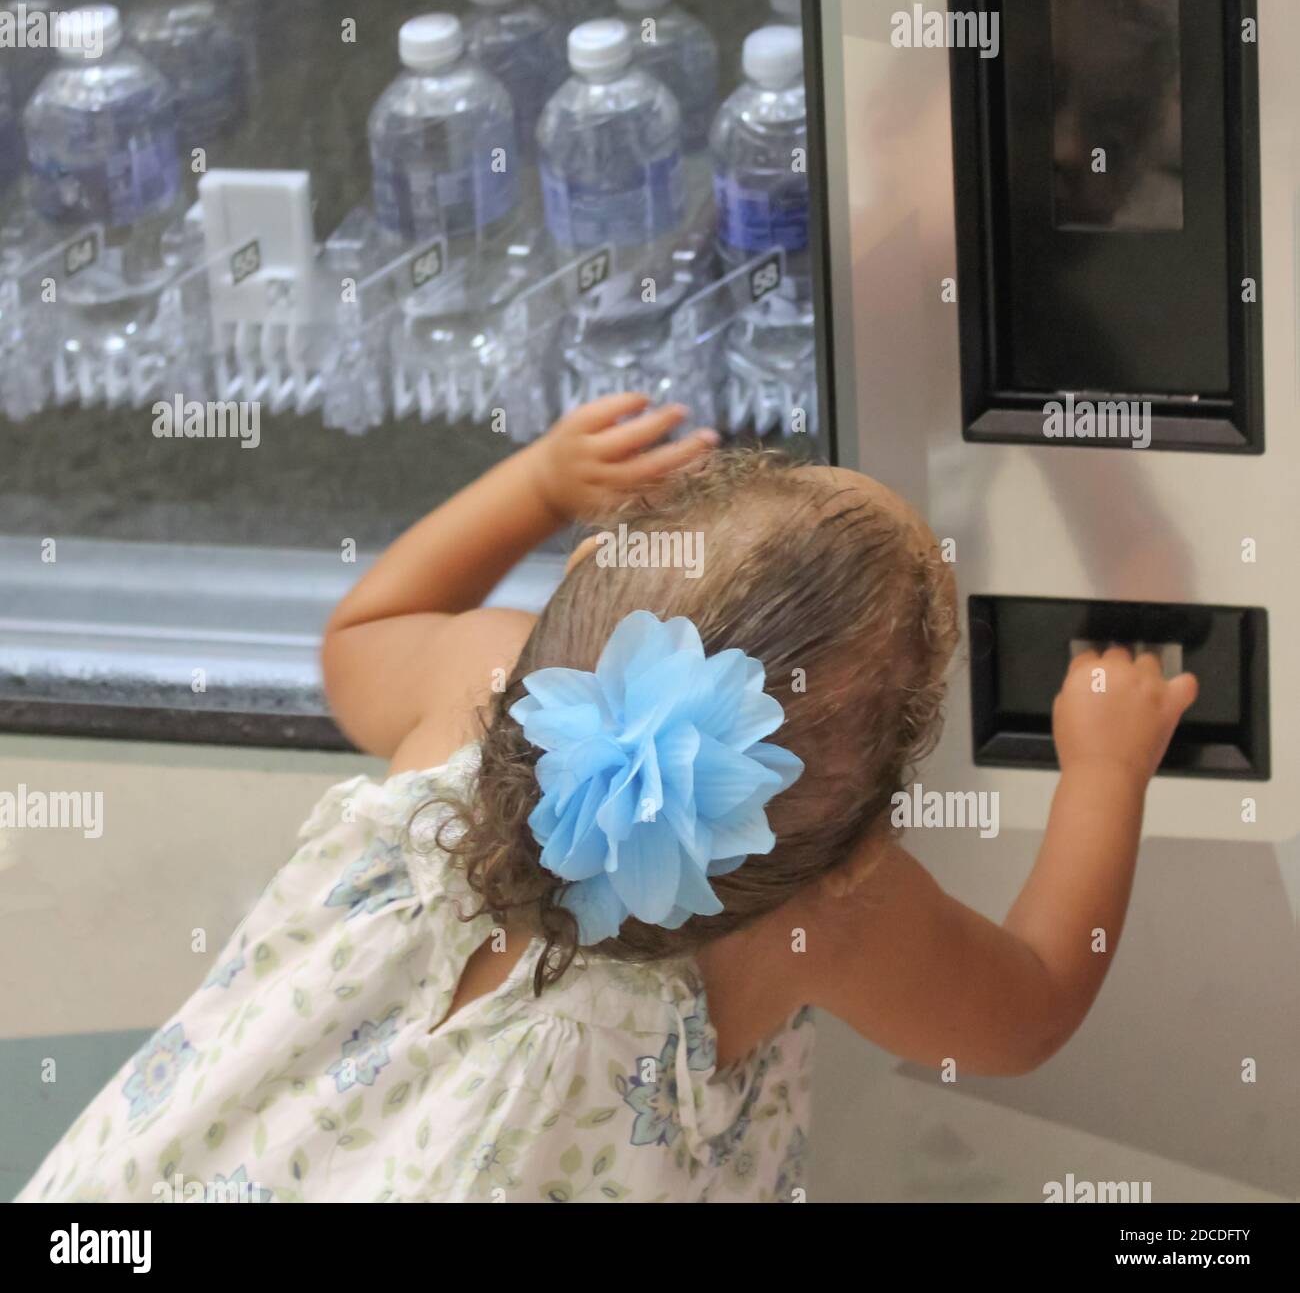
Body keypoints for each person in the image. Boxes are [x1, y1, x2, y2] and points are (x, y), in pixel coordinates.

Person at [18, 393, 1197, 1203]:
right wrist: (1103, 768)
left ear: (573, 590)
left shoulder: (472, 687)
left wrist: (532, 479)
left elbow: (356, 635)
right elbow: (1029, 1007)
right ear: (857, 849)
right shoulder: (832, 917)